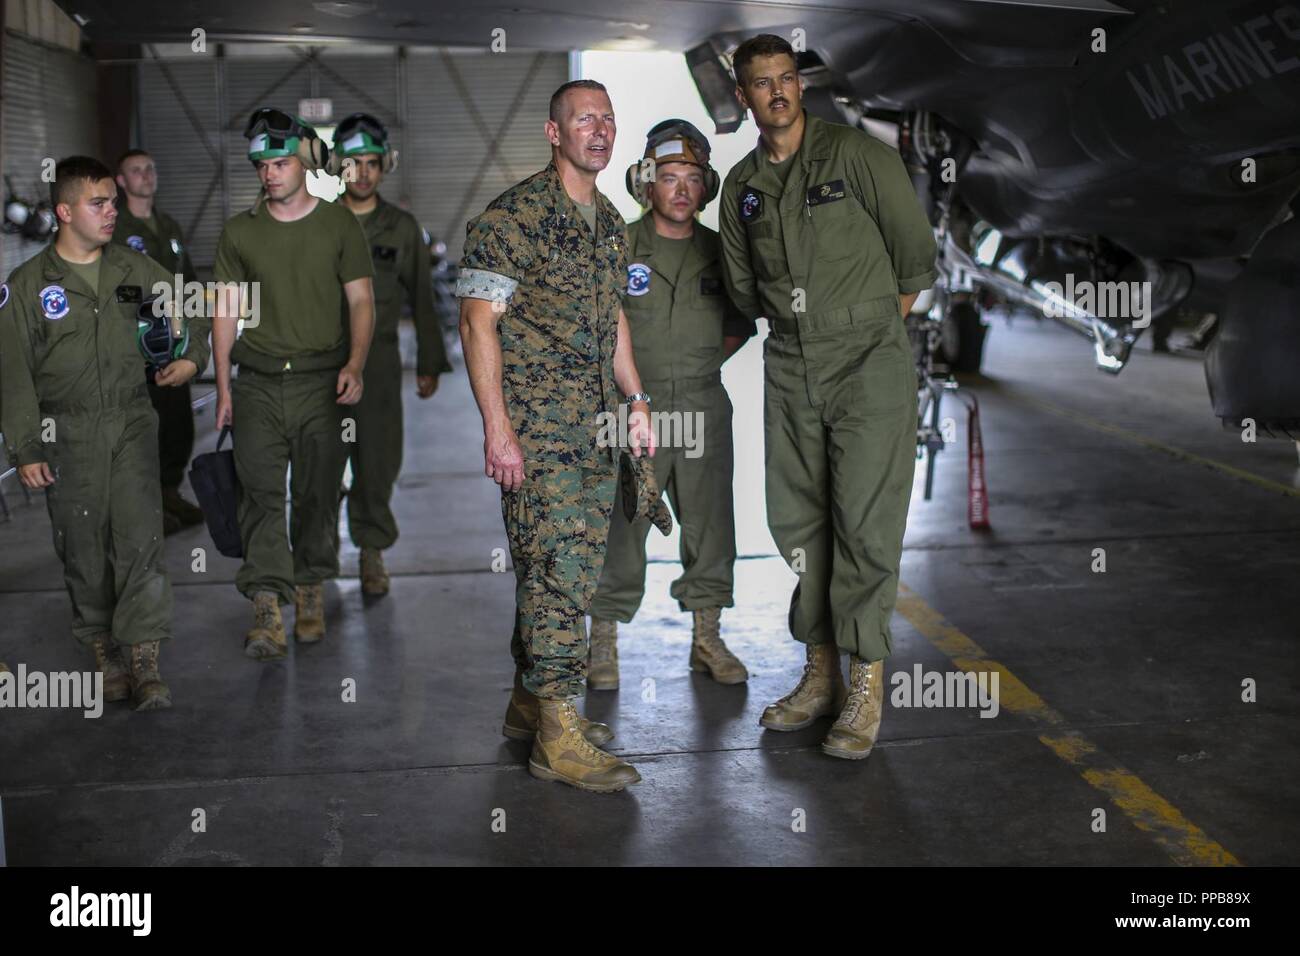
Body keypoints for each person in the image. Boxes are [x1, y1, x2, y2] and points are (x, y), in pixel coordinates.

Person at [718, 35, 938, 759]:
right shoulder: (741, 186)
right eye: (761, 83)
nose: (776, 92)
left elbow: (914, 260)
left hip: (867, 358)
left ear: (800, 86)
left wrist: (862, 331)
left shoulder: (857, 157)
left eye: (786, 78)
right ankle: (820, 677)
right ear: (743, 95)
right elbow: (745, 291)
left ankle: (867, 687)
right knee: (798, 524)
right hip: (788, 362)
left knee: (865, 527)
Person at [457, 80, 656, 792]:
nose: (598, 131)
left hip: (596, 428)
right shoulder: (514, 217)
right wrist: (498, 431)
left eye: (607, 118)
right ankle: (558, 738)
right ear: (553, 132)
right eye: (583, 120)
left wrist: (636, 398)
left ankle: (529, 706)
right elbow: (477, 323)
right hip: (541, 436)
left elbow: (614, 321)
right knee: (559, 579)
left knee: (562, 570)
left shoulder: (608, 218)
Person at [0, 156, 209, 710]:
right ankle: (101, 647)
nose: (111, 212)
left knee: (141, 538)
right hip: (66, 430)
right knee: (83, 546)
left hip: (133, 421)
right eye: (98, 203)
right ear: (64, 211)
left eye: (113, 202)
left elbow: (189, 312)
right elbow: (13, 374)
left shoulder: (135, 271)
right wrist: (26, 447)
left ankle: (143, 656)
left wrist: (192, 358)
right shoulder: (25, 287)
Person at [586, 119, 755, 690]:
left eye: (692, 179)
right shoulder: (620, 246)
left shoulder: (722, 252)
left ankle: (707, 638)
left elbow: (739, 325)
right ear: (645, 183)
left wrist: (696, 369)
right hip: (634, 410)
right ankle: (603, 642)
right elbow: (599, 329)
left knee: (710, 527)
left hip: (704, 407)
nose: (681, 190)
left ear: (705, 187)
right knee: (622, 529)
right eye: (668, 177)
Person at [211, 109, 375, 659]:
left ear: (301, 164)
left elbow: (361, 300)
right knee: (258, 495)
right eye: (262, 165)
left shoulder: (337, 224)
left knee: (316, 493)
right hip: (257, 382)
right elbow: (226, 313)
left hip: (320, 383)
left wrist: (354, 364)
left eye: (279, 163)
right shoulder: (239, 232)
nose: (269, 174)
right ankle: (265, 605)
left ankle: (309, 586)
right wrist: (225, 388)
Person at [332, 113, 451, 595]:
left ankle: (371, 552)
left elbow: (422, 298)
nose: (362, 173)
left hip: (379, 364)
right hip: (321, 359)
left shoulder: (401, 228)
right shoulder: (319, 222)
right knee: (320, 462)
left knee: (377, 460)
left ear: (385, 167)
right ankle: (314, 562)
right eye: (353, 163)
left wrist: (428, 363)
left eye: (371, 164)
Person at [111, 149, 204, 534]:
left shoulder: (169, 226)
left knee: (177, 424)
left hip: (175, 342)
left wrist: (198, 323)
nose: (146, 176)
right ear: (121, 181)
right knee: (142, 427)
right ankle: (144, 506)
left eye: (150, 168)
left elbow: (189, 280)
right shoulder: (115, 228)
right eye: (136, 170)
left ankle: (168, 491)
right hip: (136, 344)